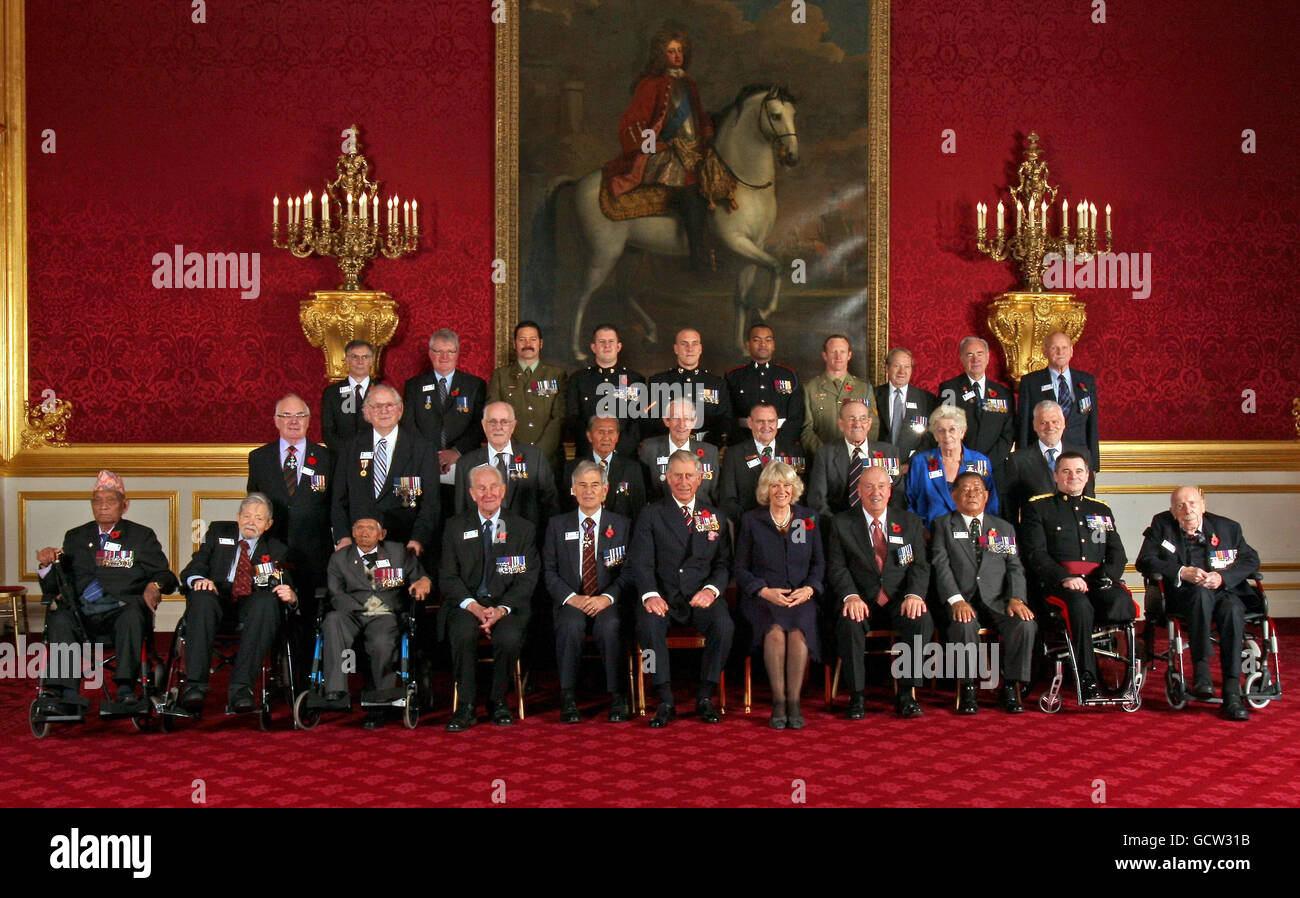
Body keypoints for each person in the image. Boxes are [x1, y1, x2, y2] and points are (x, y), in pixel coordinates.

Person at [34, 470, 177, 714]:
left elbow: (166, 576)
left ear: (125, 505)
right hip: (82, 613)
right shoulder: (76, 537)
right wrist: (46, 566)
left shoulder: (141, 536)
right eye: (97, 501)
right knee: (59, 618)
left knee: (132, 615)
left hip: (122, 611)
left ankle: (125, 690)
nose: (103, 507)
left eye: (110, 501)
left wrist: (155, 586)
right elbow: (58, 585)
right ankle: (63, 693)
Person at [1136, 487, 1262, 721]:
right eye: (1180, 505)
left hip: (1222, 591)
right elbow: (1145, 560)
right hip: (1183, 594)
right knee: (1200, 596)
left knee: (1234, 608)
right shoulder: (1162, 525)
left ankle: (1232, 693)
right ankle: (1202, 673)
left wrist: (1223, 578)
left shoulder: (1228, 527)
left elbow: (1251, 559)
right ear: (1173, 511)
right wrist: (1181, 571)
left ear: (1203, 505)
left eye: (1192, 503)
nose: (1187, 510)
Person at [628, 450, 733, 727]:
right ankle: (664, 698)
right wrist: (650, 595)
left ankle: (705, 695)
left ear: (700, 479)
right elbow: (641, 562)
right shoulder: (651, 514)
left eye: (689, 476)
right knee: (647, 628)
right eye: (677, 476)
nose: (683, 482)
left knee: (724, 625)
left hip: (701, 597)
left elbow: (723, 564)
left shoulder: (715, 516)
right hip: (663, 597)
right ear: (667, 478)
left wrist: (711, 590)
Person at [1019, 451, 1131, 701]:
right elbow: (1035, 553)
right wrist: (1063, 577)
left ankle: (1129, 672)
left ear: (1087, 476)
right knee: (1078, 605)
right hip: (1057, 583)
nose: (1073, 476)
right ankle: (1087, 675)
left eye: (1079, 471)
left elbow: (1117, 553)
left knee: (1121, 603)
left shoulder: (1100, 510)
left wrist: (1108, 576)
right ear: (1055, 476)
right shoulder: (1039, 507)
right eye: (1066, 471)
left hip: (1096, 581)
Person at [603, 26, 714, 271]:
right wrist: (655, 146)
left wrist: (706, 136)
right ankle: (699, 260)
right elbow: (633, 124)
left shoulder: (689, 84)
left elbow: (699, 118)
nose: (677, 56)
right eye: (671, 51)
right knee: (690, 191)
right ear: (660, 55)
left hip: (692, 151)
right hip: (662, 152)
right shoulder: (650, 84)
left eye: (680, 51)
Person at [825, 467, 932, 719]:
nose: (876, 492)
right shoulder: (841, 523)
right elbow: (837, 567)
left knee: (920, 619)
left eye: (882, 486)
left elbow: (920, 566)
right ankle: (856, 697)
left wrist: (914, 595)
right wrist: (850, 596)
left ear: (890, 490)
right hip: (860, 599)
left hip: (898, 599)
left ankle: (906, 694)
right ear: (859, 491)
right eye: (869, 487)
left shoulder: (910, 522)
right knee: (849, 623)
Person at [178, 494, 298, 714]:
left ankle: (242, 690)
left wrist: (290, 595)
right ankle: (194, 686)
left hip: (252, 603)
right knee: (201, 597)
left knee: (267, 602)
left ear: (268, 524)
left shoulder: (277, 549)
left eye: (259, 519)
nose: (251, 522)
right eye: (247, 516)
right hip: (216, 597)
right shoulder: (217, 533)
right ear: (238, 517)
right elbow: (194, 567)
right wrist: (198, 580)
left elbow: (286, 584)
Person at [440, 464, 539, 731]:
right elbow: (448, 577)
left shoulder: (522, 529)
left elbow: (527, 579)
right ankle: (466, 706)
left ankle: (498, 701)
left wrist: (501, 609)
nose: (488, 494)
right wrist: (474, 607)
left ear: (503, 491)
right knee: (461, 633)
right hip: (466, 605)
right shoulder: (454, 526)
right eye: (481, 488)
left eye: (494, 487)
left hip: (507, 606)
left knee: (508, 638)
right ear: (472, 493)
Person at [928, 472, 1035, 714]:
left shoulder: (1003, 527)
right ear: (954, 496)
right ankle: (968, 689)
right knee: (963, 625)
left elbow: (1014, 566)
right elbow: (940, 566)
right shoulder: (943, 525)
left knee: (1025, 624)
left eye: (977, 488)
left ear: (986, 496)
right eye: (965, 489)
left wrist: (1016, 598)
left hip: (998, 601)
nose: (972, 493)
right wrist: (956, 600)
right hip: (961, 599)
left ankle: (1010, 687)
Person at [733, 461, 824, 729]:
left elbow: (819, 563)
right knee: (774, 632)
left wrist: (809, 589)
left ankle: (794, 703)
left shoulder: (807, 519)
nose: (781, 490)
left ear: (794, 488)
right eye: (774, 485)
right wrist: (763, 591)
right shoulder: (751, 520)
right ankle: (778, 702)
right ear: (765, 489)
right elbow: (740, 568)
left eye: (786, 485)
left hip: (800, 596)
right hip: (764, 598)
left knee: (797, 633)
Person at [542, 461, 635, 723]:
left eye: (595, 485)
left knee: (610, 626)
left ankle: (618, 696)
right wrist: (573, 599)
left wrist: (606, 598)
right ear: (572, 490)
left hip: (608, 601)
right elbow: (548, 572)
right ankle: (568, 697)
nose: (588, 490)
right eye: (582, 485)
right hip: (572, 601)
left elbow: (629, 573)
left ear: (605, 490)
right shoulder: (557, 525)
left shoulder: (623, 525)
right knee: (570, 626)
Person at [320, 517, 432, 729]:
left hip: (386, 614)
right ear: (353, 533)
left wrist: (424, 581)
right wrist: (366, 606)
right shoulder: (339, 558)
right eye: (359, 528)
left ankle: (379, 701)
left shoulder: (398, 552)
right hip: (350, 611)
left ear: (382, 535)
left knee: (382, 640)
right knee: (332, 620)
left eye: (370, 528)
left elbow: (420, 577)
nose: (364, 532)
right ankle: (336, 690)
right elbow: (335, 594)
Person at [246, 393, 333, 634]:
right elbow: (254, 504)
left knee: (310, 618)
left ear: (308, 420)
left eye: (300, 415)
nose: (293, 421)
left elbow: (337, 505)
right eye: (286, 415)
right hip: (274, 551)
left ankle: (308, 669)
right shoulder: (259, 458)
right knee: (274, 614)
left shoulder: (327, 458)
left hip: (315, 553)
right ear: (276, 420)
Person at [330, 384, 440, 557]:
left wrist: (418, 539)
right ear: (366, 412)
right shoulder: (350, 448)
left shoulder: (422, 449)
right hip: (358, 545)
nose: (384, 411)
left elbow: (430, 503)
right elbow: (338, 500)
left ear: (400, 409)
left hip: (404, 545)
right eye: (377, 406)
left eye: (389, 405)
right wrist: (343, 537)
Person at [402, 329, 488, 507]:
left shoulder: (475, 385)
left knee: (457, 513)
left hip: (463, 462)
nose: (444, 356)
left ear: (457, 354)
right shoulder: (413, 386)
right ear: (430, 353)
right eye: (438, 351)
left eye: (450, 351)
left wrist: (455, 452)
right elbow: (408, 424)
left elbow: (479, 425)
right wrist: (431, 455)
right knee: (421, 512)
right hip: (422, 461)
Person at [454, 401, 558, 540]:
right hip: (482, 545)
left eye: (504, 422)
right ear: (484, 426)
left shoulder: (535, 457)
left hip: (528, 543)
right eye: (492, 422)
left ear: (513, 426)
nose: (498, 427)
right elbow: (461, 513)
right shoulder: (466, 464)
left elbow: (550, 506)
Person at [487, 320, 567, 471]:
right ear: (515, 344)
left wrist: (538, 454)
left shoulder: (556, 375)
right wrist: (515, 452)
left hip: (548, 460)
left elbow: (559, 418)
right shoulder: (500, 376)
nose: (527, 344)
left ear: (541, 343)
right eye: (522, 339)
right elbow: (493, 418)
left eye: (533, 339)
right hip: (511, 458)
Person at [904, 405, 999, 528]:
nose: (947, 435)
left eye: (952, 429)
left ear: (962, 432)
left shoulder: (980, 461)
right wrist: (919, 530)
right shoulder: (921, 462)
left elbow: (991, 502)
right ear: (935, 435)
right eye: (941, 430)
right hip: (931, 533)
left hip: (971, 534)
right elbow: (910, 501)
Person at [999, 400, 1092, 525]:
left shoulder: (1082, 454)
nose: (1050, 427)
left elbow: (1089, 498)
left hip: (1074, 533)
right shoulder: (1017, 460)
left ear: (1063, 423)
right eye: (1043, 422)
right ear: (1034, 425)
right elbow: (1010, 507)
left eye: (1055, 422)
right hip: (1035, 533)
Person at [806, 399, 903, 518]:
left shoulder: (889, 453)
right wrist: (838, 527)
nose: (857, 424)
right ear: (841, 424)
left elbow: (898, 496)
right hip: (837, 524)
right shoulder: (825, 454)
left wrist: (882, 523)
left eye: (862, 419)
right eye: (851, 419)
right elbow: (817, 500)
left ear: (869, 424)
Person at [1017, 331, 1099, 470]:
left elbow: (1092, 424)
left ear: (1071, 351)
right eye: (1054, 348)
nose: (1060, 352)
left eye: (1065, 347)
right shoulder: (1031, 382)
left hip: (1077, 458)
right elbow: (1023, 424)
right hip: (1041, 458)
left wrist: (1094, 465)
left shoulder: (1086, 381)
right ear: (1045, 352)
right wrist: (1021, 461)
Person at [718, 401, 805, 525]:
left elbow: (800, 495)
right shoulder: (734, 455)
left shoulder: (794, 452)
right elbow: (728, 500)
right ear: (750, 423)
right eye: (760, 421)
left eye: (771, 421)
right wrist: (752, 521)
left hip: (788, 525)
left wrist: (786, 520)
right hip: (749, 526)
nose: (766, 426)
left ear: (777, 423)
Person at [566, 323, 645, 458]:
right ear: (593, 347)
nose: (607, 345)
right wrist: (594, 447)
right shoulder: (579, 379)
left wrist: (619, 449)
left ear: (618, 346)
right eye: (602, 342)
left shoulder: (634, 380)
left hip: (624, 457)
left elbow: (637, 421)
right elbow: (573, 419)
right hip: (588, 454)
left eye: (611, 341)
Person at [937, 336, 1016, 470]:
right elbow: (945, 427)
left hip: (994, 467)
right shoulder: (949, 390)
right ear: (961, 358)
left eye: (980, 354)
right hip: (959, 466)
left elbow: (1008, 434)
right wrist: (964, 460)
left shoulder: (1004, 393)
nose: (975, 359)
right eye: (969, 355)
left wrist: (986, 463)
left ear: (987, 357)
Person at [645, 327, 731, 445]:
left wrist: (707, 447)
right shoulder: (659, 382)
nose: (690, 349)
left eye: (694, 344)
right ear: (676, 349)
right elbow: (650, 420)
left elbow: (724, 421)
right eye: (684, 344)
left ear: (700, 349)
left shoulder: (716, 384)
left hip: (705, 447)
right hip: (667, 447)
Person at [725, 324, 804, 445]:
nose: (763, 344)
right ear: (748, 345)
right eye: (757, 340)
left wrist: (778, 445)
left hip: (782, 444)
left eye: (768, 340)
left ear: (773, 345)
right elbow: (728, 417)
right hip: (743, 443)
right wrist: (744, 446)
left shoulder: (789, 376)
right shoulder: (734, 376)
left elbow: (796, 417)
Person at [560, 415, 649, 522]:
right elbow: (565, 510)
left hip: (622, 535)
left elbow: (639, 510)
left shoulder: (632, 469)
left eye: (611, 432)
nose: (606, 437)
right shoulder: (572, 468)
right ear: (589, 436)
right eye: (601, 432)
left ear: (617, 436)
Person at [801, 333, 879, 455]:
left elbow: (872, 425)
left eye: (842, 352)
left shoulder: (864, 388)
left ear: (849, 355)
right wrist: (825, 454)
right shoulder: (810, 388)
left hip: (857, 459)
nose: (838, 356)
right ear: (825, 355)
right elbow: (806, 430)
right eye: (833, 352)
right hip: (822, 460)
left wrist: (857, 451)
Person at [638, 396, 720, 506]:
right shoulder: (649, 449)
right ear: (666, 420)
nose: (682, 424)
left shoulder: (710, 451)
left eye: (687, 418)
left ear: (694, 421)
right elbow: (643, 494)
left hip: (700, 517)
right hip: (660, 517)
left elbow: (716, 495)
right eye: (676, 418)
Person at [873, 346, 938, 468]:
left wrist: (912, 463)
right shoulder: (873, 395)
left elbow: (931, 436)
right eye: (896, 366)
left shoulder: (927, 399)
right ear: (887, 368)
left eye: (907, 367)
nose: (901, 371)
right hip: (878, 465)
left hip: (912, 468)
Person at [320, 340, 382, 449]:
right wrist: (346, 453)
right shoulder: (332, 393)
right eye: (354, 357)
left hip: (375, 457)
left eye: (365, 357)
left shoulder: (383, 392)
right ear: (347, 360)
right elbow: (327, 431)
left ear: (372, 361)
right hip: (342, 458)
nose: (360, 361)